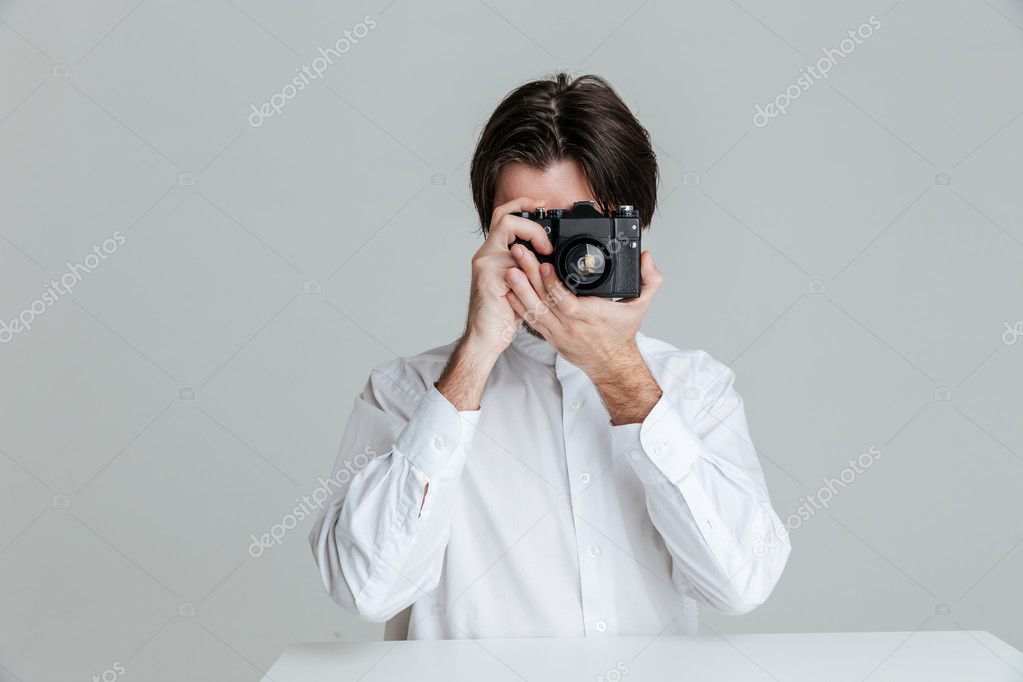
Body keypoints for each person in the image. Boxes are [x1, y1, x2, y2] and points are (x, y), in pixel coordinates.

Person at [310, 73, 790, 640]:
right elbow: (366, 590)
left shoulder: (695, 389)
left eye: (583, 227)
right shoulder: (405, 393)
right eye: (538, 227)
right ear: (491, 231)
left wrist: (623, 378)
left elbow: (741, 585)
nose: (565, 258)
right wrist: (476, 354)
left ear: (634, 231)